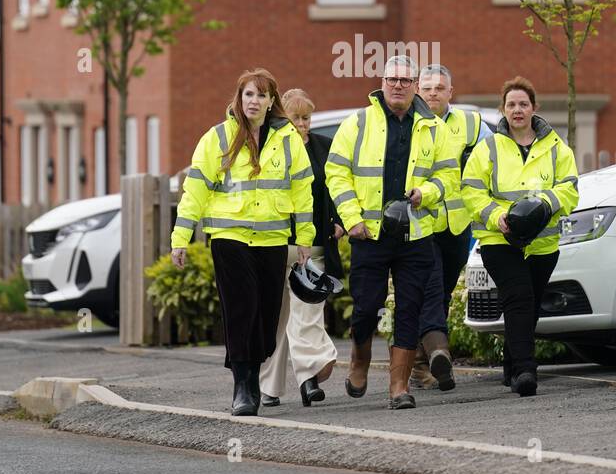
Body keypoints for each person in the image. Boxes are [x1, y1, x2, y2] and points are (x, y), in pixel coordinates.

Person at [170, 69, 314, 417]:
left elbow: (302, 189)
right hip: (229, 238)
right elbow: (195, 191)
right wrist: (181, 238)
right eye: (248, 94)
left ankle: (254, 367)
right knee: (241, 309)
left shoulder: (288, 139)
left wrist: (305, 237)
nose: (254, 101)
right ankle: (243, 386)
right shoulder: (217, 138)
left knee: (265, 316)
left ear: (271, 101)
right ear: (239, 98)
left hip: (272, 238)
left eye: (261, 95)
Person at [324, 55, 461, 409]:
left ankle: (399, 387)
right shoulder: (358, 123)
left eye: (405, 80)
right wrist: (352, 218)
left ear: (415, 85)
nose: (398, 85)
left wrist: (425, 194)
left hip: (416, 234)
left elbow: (449, 177)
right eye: (392, 79)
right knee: (366, 309)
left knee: (409, 310)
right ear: (381, 83)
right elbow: (336, 173)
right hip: (368, 234)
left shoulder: (434, 128)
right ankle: (359, 361)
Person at [462, 76, 578, 397]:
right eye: (511, 104)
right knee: (519, 298)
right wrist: (495, 215)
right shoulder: (488, 148)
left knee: (531, 304)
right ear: (503, 109)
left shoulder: (556, 147)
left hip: (543, 243)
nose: (517, 110)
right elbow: (470, 189)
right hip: (500, 240)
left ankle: (511, 362)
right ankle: (526, 371)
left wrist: (544, 207)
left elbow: (570, 189)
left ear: (534, 108)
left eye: (523, 104)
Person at [258, 88, 342, 408]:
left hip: (315, 245)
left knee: (307, 313)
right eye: (296, 118)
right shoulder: (273, 151)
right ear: (283, 119)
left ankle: (308, 379)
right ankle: (269, 386)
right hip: (276, 243)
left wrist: (339, 220)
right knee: (277, 318)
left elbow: (336, 188)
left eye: (307, 117)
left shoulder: (325, 147)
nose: (303, 124)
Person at [411, 63, 489, 389]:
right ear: (418, 90)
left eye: (439, 88)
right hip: (421, 223)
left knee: (440, 292)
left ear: (450, 92)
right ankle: (439, 352)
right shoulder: (408, 124)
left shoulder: (471, 124)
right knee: (429, 288)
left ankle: (419, 365)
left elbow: (492, 159)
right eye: (427, 87)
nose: (432, 93)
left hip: (457, 225)